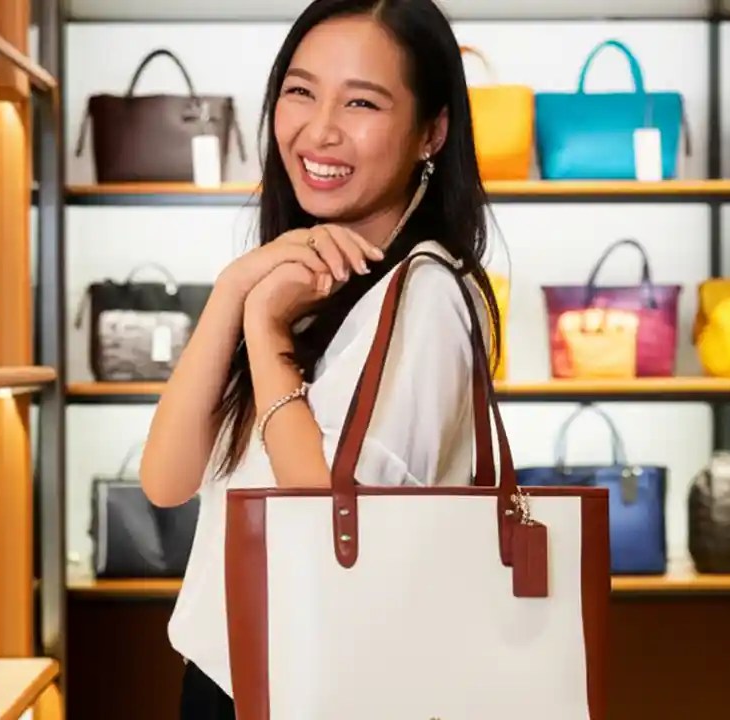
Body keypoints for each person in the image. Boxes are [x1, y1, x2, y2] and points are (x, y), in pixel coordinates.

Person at [138, 0, 501, 717]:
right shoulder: (302, 279)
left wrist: (266, 328)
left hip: (328, 691)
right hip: (231, 676)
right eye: (301, 91)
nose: (320, 129)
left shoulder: (426, 293)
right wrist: (236, 289)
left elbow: (339, 530)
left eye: (361, 102)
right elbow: (166, 479)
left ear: (431, 132)